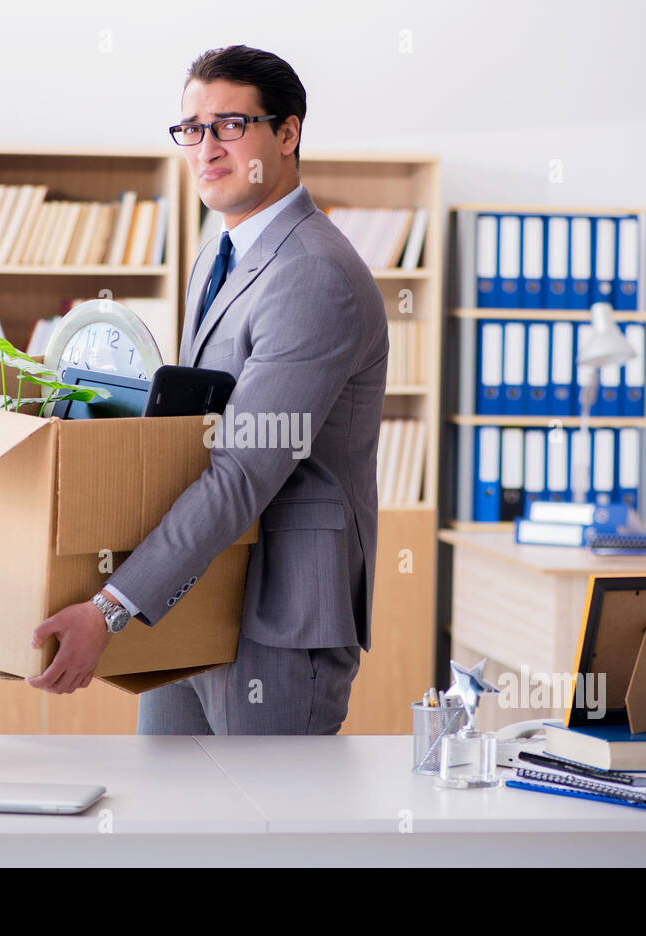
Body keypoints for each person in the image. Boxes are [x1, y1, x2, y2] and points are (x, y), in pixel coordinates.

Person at [27, 44, 387, 735]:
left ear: (287, 134)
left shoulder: (312, 273)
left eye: (229, 124)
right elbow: (191, 431)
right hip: (193, 595)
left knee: (258, 841)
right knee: (171, 830)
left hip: (278, 616)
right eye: (191, 128)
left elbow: (241, 472)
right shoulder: (215, 255)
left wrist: (109, 607)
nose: (205, 146)